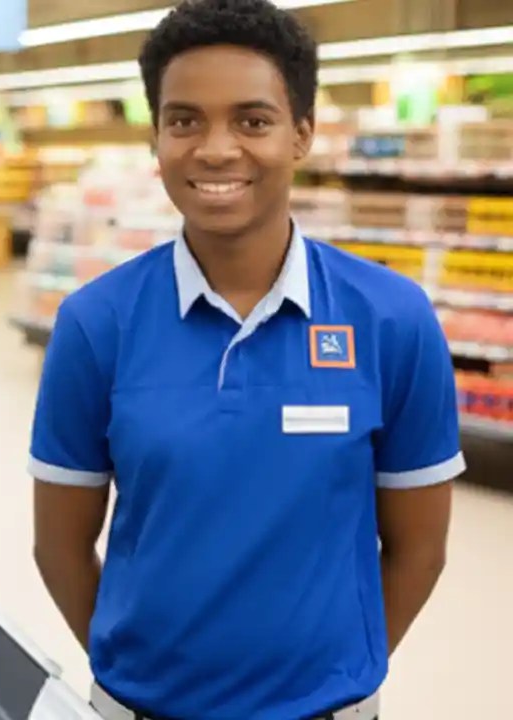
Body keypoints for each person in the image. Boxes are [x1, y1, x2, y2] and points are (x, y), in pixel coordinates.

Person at [29, 1, 462, 718]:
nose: (216, 149)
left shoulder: (390, 317)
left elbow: (420, 550)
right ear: (157, 138)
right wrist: (137, 674)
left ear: (302, 135)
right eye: (185, 120)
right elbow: (60, 548)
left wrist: (334, 678)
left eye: (253, 121)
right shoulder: (95, 323)